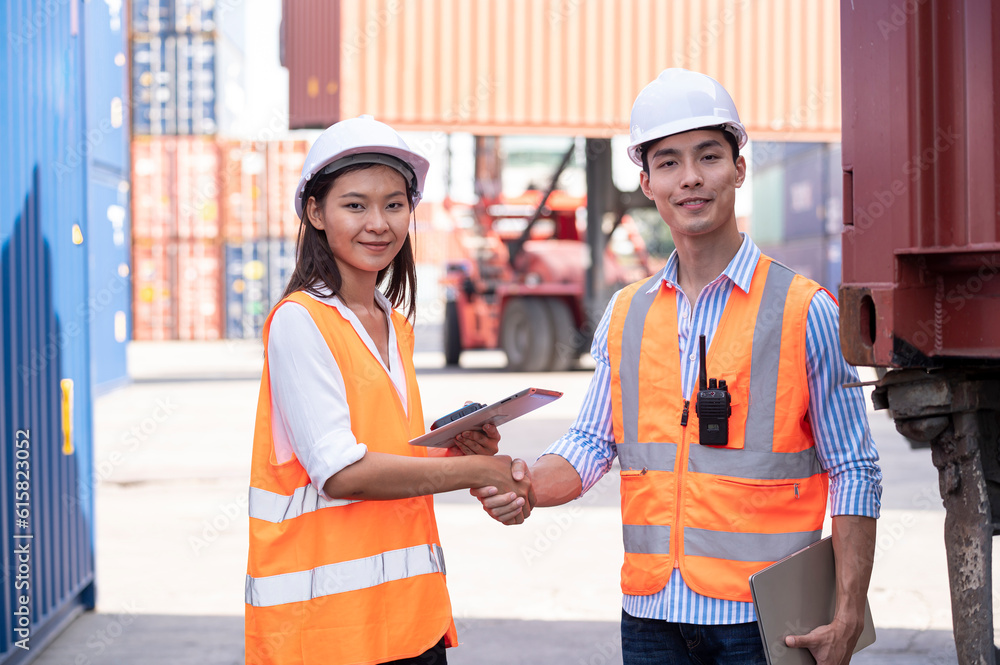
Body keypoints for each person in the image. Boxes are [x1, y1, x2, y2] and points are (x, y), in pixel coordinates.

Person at [474, 69, 882, 665]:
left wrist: (847, 613)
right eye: (668, 163)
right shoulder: (625, 313)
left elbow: (855, 468)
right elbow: (592, 443)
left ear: (739, 168)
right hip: (651, 619)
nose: (690, 178)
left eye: (708, 156)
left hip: (764, 623)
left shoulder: (805, 311)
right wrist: (526, 486)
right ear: (646, 182)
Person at [245, 115, 533, 665]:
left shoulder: (392, 322)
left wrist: (456, 447)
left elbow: (384, 452)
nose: (378, 223)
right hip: (325, 635)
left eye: (394, 205)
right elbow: (342, 472)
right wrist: (476, 473)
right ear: (315, 212)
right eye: (355, 205)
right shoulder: (300, 321)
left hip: (410, 622)